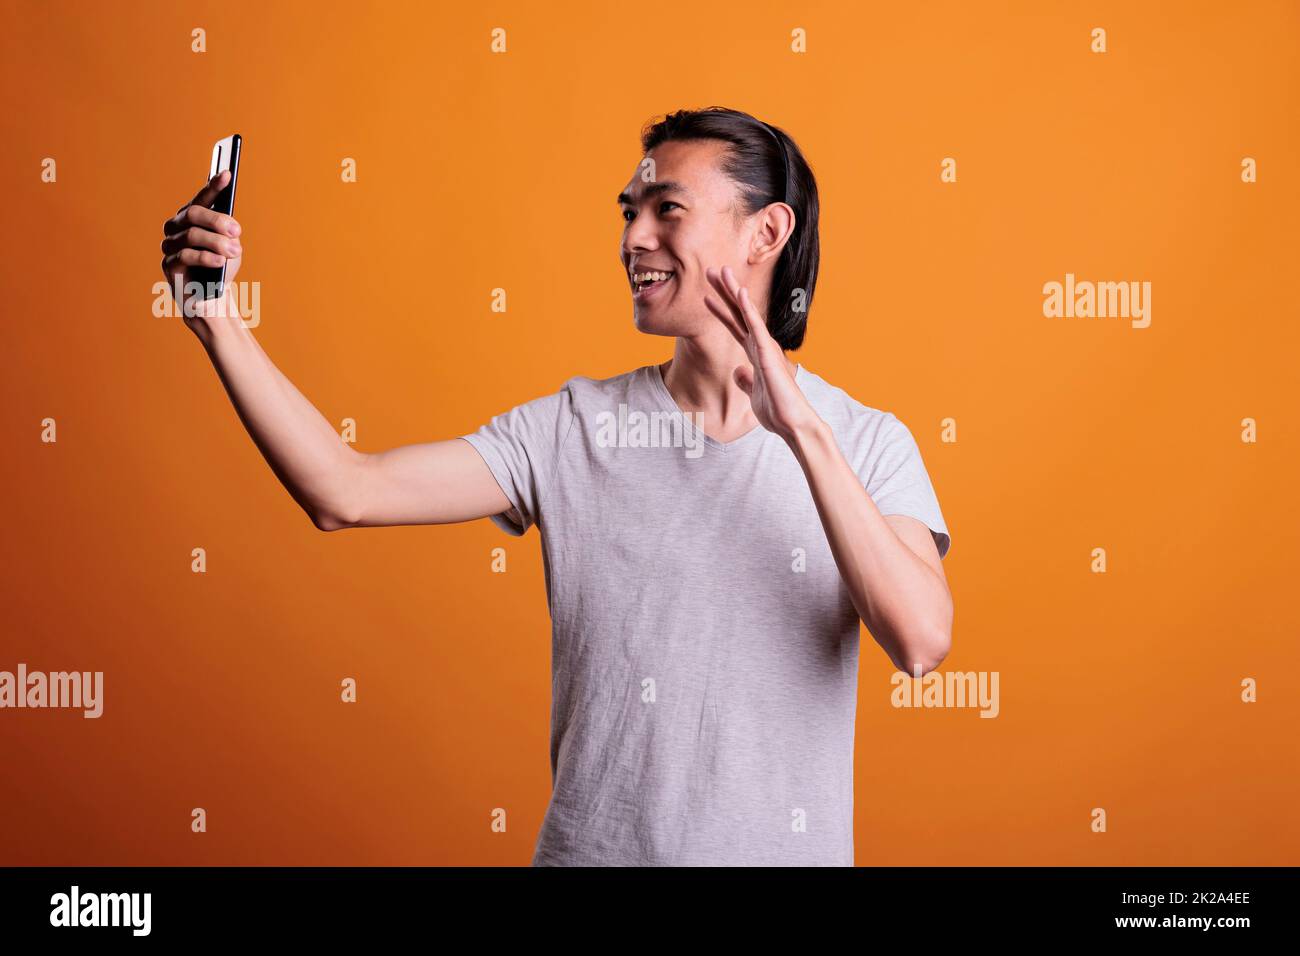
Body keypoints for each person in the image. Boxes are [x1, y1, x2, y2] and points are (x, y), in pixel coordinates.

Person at [159, 106, 954, 866]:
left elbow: (920, 642)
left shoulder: (865, 443)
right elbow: (344, 490)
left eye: (666, 208)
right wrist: (218, 322)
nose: (633, 238)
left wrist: (803, 433)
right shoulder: (572, 427)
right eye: (628, 211)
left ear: (766, 232)